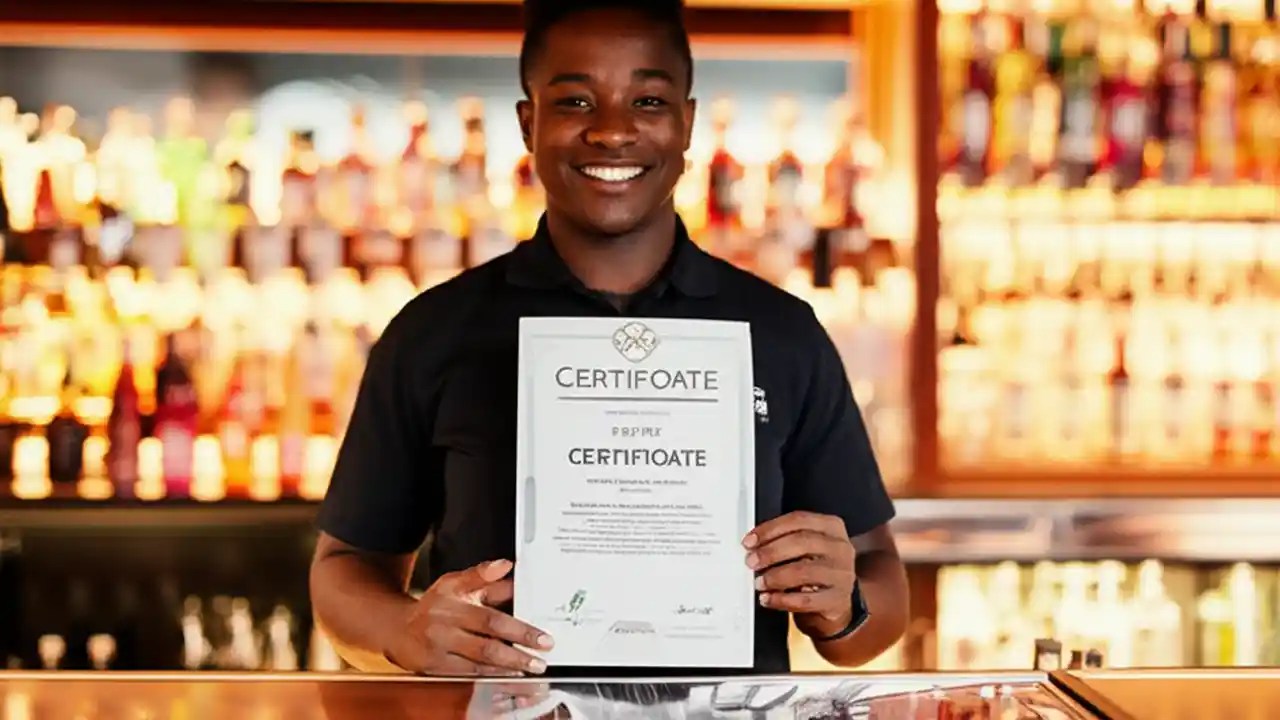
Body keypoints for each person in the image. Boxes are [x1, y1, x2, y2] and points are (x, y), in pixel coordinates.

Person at [310, 0, 909, 678]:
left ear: (686, 122)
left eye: (648, 101)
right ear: (528, 123)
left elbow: (879, 586)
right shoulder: (435, 330)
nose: (614, 131)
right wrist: (404, 629)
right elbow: (343, 571)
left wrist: (845, 604)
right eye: (575, 102)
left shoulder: (779, 332)